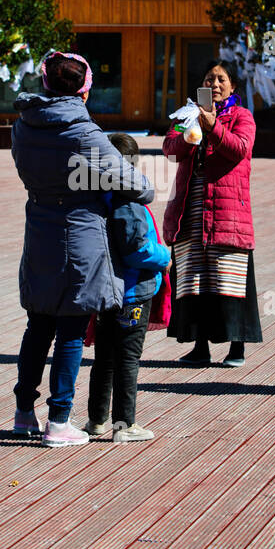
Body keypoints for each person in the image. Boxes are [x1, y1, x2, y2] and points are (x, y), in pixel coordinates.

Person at [10, 51, 154, 446]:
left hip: (39, 228)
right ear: (85, 92)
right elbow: (141, 186)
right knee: (71, 328)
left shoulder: (23, 125)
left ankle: (24, 413)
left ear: (45, 84)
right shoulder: (85, 133)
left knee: (38, 324)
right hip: (80, 235)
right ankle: (59, 421)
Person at [162, 62, 262, 367]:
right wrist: (189, 137)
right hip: (191, 208)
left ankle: (237, 347)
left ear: (233, 87)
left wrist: (213, 127)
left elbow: (240, 148)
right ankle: (200, 347)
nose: (215, 84)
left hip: (228, 209)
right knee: (195, 278)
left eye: (222, 79)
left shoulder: (242, 117)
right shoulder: (187, 114)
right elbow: (169, 148)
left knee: (229, 277)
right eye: (210, 79)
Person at [86, 133, 172, 443]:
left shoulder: (98, 199)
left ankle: (96, 420)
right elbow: (137, 250)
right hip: (133, 292)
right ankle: (125, 424)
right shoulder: (129, 205)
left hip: (106, 292)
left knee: (105, 358)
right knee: (127, 359)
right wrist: (165, 257)